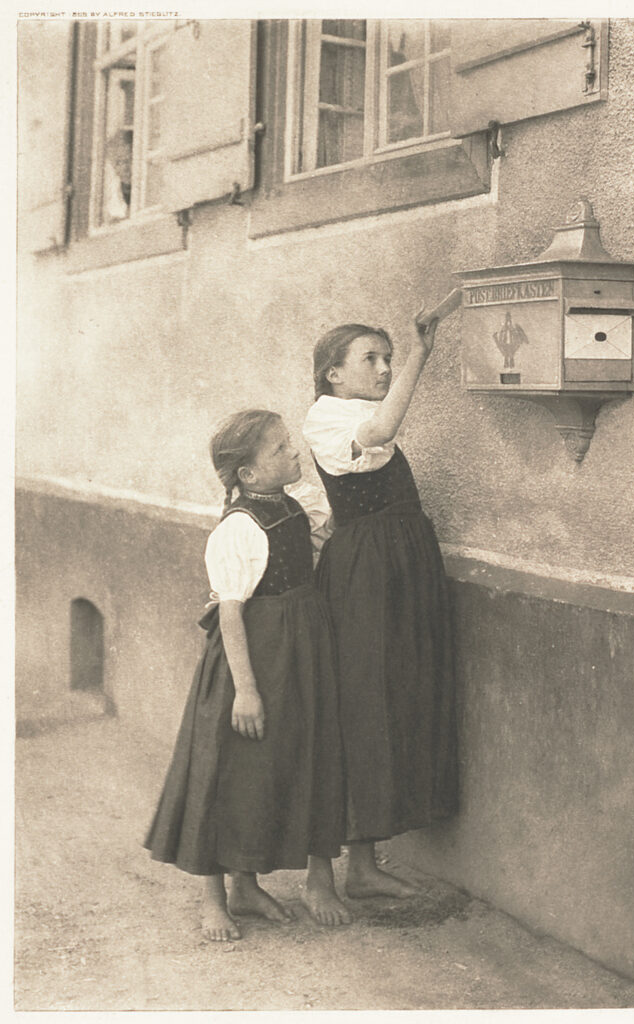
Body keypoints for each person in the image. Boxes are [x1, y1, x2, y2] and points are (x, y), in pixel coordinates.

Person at [145, 410, 351, 939]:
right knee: (228, 770)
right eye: (281, 450)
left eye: (289, 445)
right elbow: (231, 612)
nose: (293, 455)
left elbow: (316, 539)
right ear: (249, 476)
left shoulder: (293, 504)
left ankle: (255, 884)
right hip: (252, 660)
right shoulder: (238, 528)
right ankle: (215, 897)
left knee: (301, 756)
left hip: (301, 649)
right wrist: (247, 692)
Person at [302, 319, 458, 899]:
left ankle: (365, 866)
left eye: (389, 358)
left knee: (396, 698)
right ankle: (336, 867)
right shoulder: (327, 417)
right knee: (362, 704)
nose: (385, 369)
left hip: (401, 566)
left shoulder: (353, 416)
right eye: (372, 359)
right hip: (367, 572)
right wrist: (422, 353)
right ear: (332, 373)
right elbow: (383, 425)